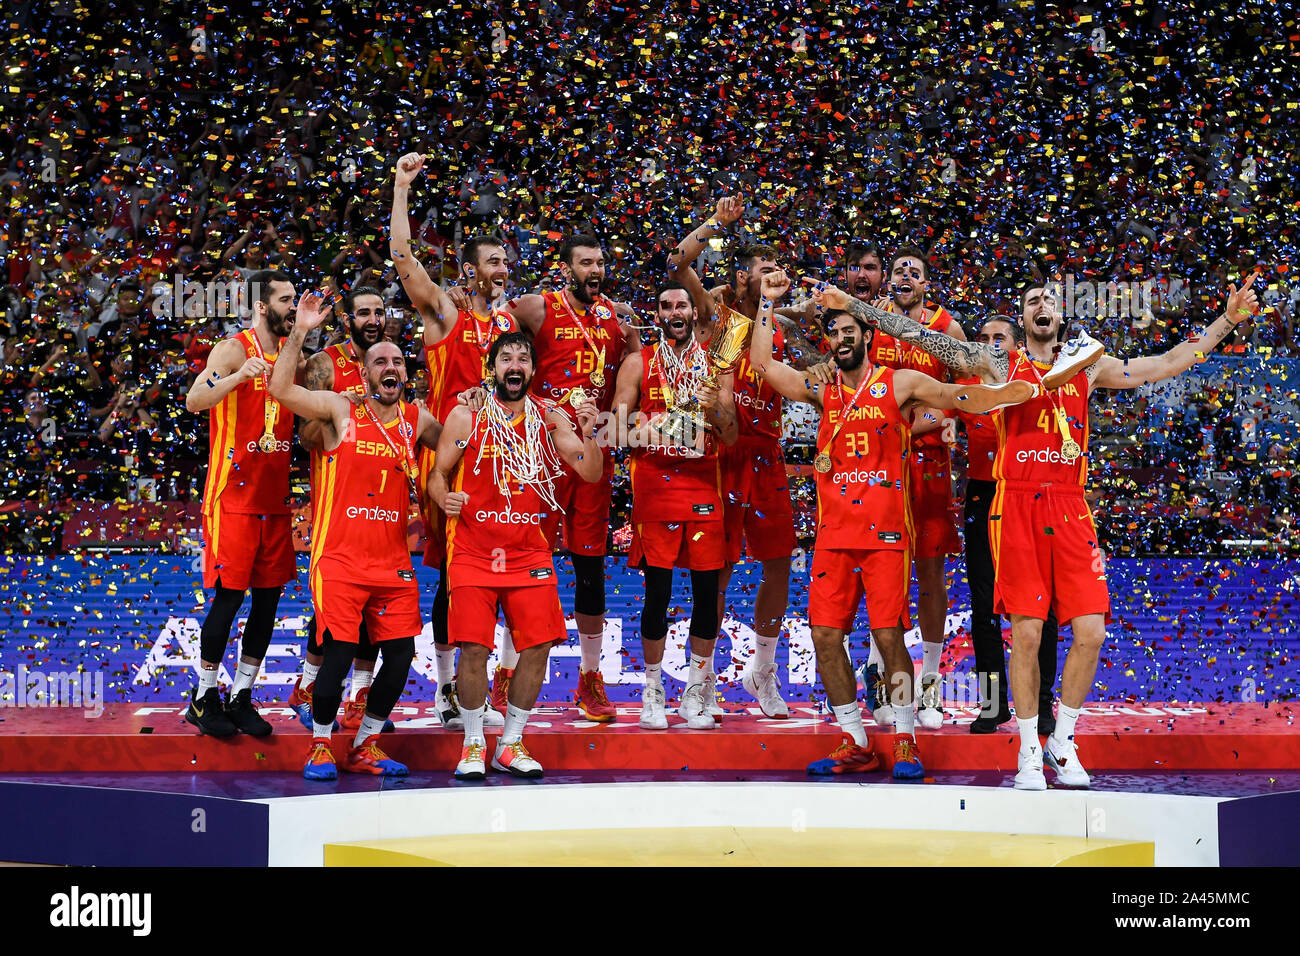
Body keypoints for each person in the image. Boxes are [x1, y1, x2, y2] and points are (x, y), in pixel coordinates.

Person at [809, 274, 1259, 788]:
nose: (1041, 305)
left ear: (1060, 317)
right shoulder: (1002, 363)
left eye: (1049, 299)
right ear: (1022, 322)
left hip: (1070, 507)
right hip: (1015, 506)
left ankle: (1062, 741)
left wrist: (1228, 320)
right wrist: (858, 308)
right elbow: (925, 340)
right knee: (1026, 635)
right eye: (1030, 302)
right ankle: (1028, 751)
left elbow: (1167, 363)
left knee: (1091, 633)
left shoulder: (1088, 368)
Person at [754, 271, 1038, 777]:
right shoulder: (822, 389)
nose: (839, 340)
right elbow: (761, 365)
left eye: (848, 331)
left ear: (865, 334)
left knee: (888, 639)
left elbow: (956, 396)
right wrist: (765, 303)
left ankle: (904, 736)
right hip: (833, 539)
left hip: (886, 537)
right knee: (824, 638)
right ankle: (854, 738)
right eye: (832, 334)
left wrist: (1007, 394)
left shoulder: (899, 382)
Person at [269, 292, 441, 779]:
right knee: (340, 653)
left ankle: (366, 743)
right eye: (379, 361)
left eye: (398, 361)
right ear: (364, 374)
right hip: (339, 561)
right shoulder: (342, 410)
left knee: (402, 653)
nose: (390, 365)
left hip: (392, 562)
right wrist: (300, 332)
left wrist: (483, 399)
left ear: (406, 375)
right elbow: (282, 390)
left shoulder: (416, 420)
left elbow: (459, 443)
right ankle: (321, 744)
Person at [430, 331, 603, 779]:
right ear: (492, 368)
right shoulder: (466, 415)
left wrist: (591, 432)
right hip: (472, 549)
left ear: (531, 369)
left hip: (529, 551)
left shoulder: (549, 417)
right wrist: (443, 498)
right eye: (505, 358)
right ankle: (472, 743)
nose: (514, 365)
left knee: (538, 646)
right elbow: (438, 474)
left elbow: (589, 470)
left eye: (522, 358)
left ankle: (509, 743)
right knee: (472, 647)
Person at [391, 151, 517, 730]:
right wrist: (401, 187)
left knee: (498, 574)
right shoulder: (445, 313)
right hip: (449, 463)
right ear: (470, 271)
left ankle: (489, 685)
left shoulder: (512, 324)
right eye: (492, 261)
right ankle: (447, 689)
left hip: (505, 466)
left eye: (506, 260)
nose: (503, 268)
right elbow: (402, 257)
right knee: (451, 577)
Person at [666, 197, 799, 719]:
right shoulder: (711, 314)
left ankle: (762, 673)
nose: (773, 279)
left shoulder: (778, 324)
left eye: (777, 271)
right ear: (742, 276)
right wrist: (717, 224)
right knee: (715, 573)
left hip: (766, 453)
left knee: (780, 565)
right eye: (764, 271)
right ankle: (699, 682)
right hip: (719, 453)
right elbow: (678, 262)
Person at [500, 234, 641, 722]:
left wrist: (617, 421)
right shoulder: (538, 308)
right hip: (539, 450)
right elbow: (491, 334)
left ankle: (590, 677)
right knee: (520, 561)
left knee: (590, 567)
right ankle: (505, 668)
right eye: (585, 263)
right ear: (566, 268)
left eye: (600, 262)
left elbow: (633, 369)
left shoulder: (617, 318)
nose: (595, 270)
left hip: (590, 453)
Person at [611, 280, 739, 730]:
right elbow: (614, 430)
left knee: (707, 593)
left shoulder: (715, 363)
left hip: (703, 488)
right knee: (657, 595)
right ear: (659, 315)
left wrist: (714, 409)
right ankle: (652, 693)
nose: (674, 311)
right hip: (656, 490)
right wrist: (656, 430)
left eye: (681, 304)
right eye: (665, 306)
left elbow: (731, 433)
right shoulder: (637, 362)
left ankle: (696, 691)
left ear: (693, 312)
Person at [182, 269, 298, 738]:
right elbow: (194, 400)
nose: (293, 306)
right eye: (286, 300)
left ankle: (242, 695)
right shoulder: (233, 349)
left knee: (268, 601)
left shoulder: (294, 357)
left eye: (295, 299)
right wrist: (237, 378)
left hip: (275, 500)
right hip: (232, 496)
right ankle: (204, 696)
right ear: (263, 305)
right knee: (230, 598)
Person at [859, 248, 967, 731]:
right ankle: (880, 675)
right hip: (879, 468)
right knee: (884, 575)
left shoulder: (948, 329)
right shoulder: (869, 325)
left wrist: (909, 425)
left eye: (915, 271)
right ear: (889, 282)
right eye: (899, 269)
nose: (906, 275)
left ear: (926, 284)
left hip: (929, 467)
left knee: (930, 577)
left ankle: (929, 686)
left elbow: (965, 399)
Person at [287, 285, 389, 732]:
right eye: (363, 313)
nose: (372, 319)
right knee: (336, 607)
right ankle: (307, 687)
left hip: (385, 502)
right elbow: (305, 435)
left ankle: (360, 697)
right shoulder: (327, 364)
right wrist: (346, 414)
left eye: (379, 312)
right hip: (336, 502)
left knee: (377, 606)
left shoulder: (390, 360)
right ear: (347, 320)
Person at [954, 315, 1059, 734]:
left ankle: (1043, 705)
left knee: (1041, 606)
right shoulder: (969, 389)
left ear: (1017, 346)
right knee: (985, 607)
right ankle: (993, 705)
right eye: (983, 338)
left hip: (1032, 498)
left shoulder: (1036, 385)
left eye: (999, 337)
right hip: (983, 496)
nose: (989, 343)